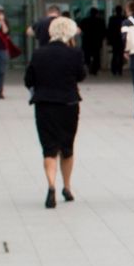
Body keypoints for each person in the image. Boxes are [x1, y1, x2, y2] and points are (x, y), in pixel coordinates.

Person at [24, 16, 87, 208]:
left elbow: (29, 80)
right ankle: (66, 187)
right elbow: (81, 76)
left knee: (49, 148)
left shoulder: (38, 53)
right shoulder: (75, 53)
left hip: (44, 105)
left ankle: (51, 185)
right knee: (67, 147)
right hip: (68, 104)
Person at [79, 7, 106, 75]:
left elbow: (80, 30)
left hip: (87, 41)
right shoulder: (100, 21)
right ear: (96, 13)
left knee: (87, 56)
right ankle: (95, 69)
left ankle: (89, 67)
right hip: (96, 42)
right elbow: (104, 31)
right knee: (96, 56)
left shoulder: (85, 20)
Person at [107, 5, 126, 76]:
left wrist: (109, 40)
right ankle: (119, 70)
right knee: (120, 55)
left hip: (114, 39)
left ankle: (114, 69)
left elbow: (109, 30)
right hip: (121, 39)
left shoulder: (112, 19)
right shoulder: (124, 18)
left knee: (115, 55)